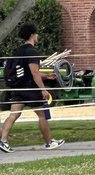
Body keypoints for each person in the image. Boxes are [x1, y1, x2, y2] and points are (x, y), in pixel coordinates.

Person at [0, 23, 64, 152]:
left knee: (13, 115)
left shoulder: (18, 50)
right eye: (36, 34)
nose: (37, 36)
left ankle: (3, 141)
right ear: (32, 35)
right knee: (42, 115)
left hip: (19, 88)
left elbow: (29, 72)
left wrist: (46, 76)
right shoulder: (32, 51)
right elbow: (34, 73)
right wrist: (43, 89)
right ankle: (49, 142)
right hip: (30, 89)